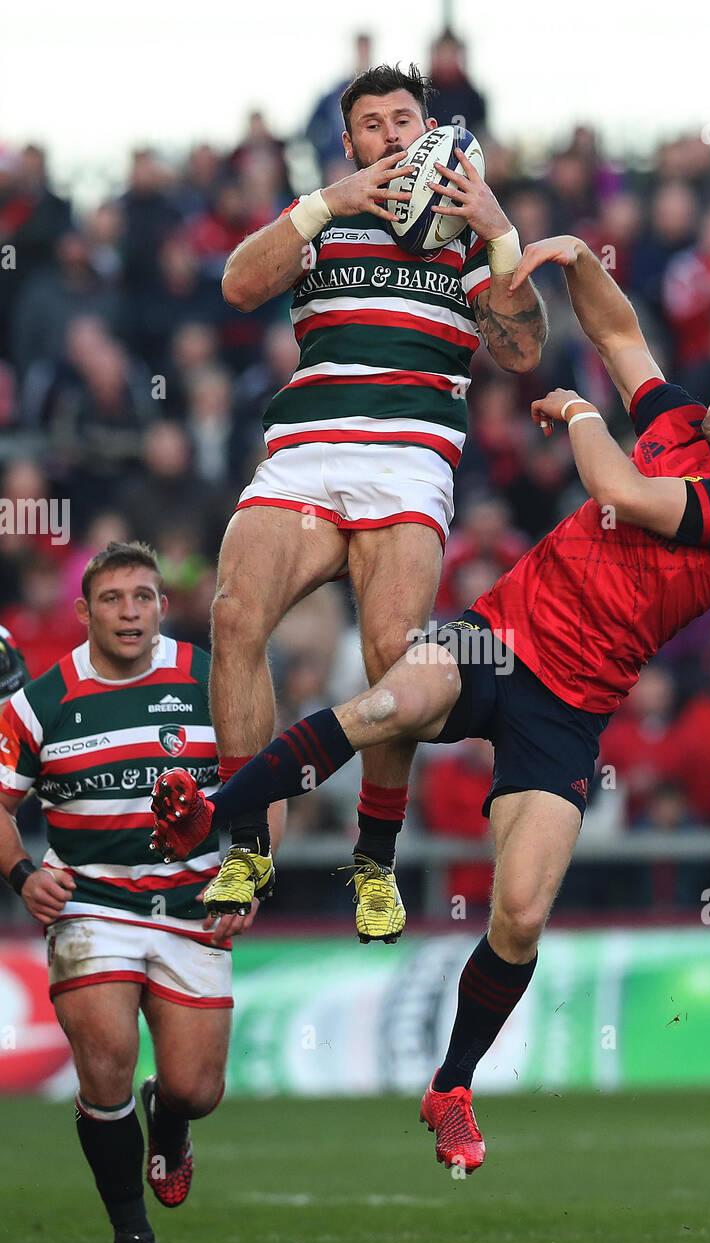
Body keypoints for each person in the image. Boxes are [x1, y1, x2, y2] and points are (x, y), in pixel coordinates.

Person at [150, 238, 710, 1173]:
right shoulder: (681, 419)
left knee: (518, 913)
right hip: (498, 640)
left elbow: (621, 489)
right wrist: (573, 258)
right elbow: (619, 333)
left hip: (573, 705)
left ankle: (451, 1087)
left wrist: (584, 414)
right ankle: (213, 817)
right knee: (389, 702)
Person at [212, 61, 546, 943]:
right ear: (350, 140)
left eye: (405, 118)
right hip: (304, 451)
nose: (391, 133)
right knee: (235, 615)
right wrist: (324, 202)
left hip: (408, 458)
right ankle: (248, 844)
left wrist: (501, 232)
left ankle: (374, 858)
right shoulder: (321, 218)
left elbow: (520, 352)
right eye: (373, 122)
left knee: (395, 655)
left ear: (429, 131)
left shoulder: (467, 232)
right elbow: (237, 285)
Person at [0, 541, 280, 1243]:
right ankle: (132, 1237)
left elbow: (269, 780)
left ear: (162, 604)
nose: (130, 613)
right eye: (113, 599)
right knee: (105, 1062)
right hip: (90, 903)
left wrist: (248, 877)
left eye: (143, 597)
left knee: (197, 1089)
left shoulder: (211, 679)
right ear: (84, 610)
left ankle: (172, 1120)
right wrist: (23, 874)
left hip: (194, 903)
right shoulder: (41, 702)